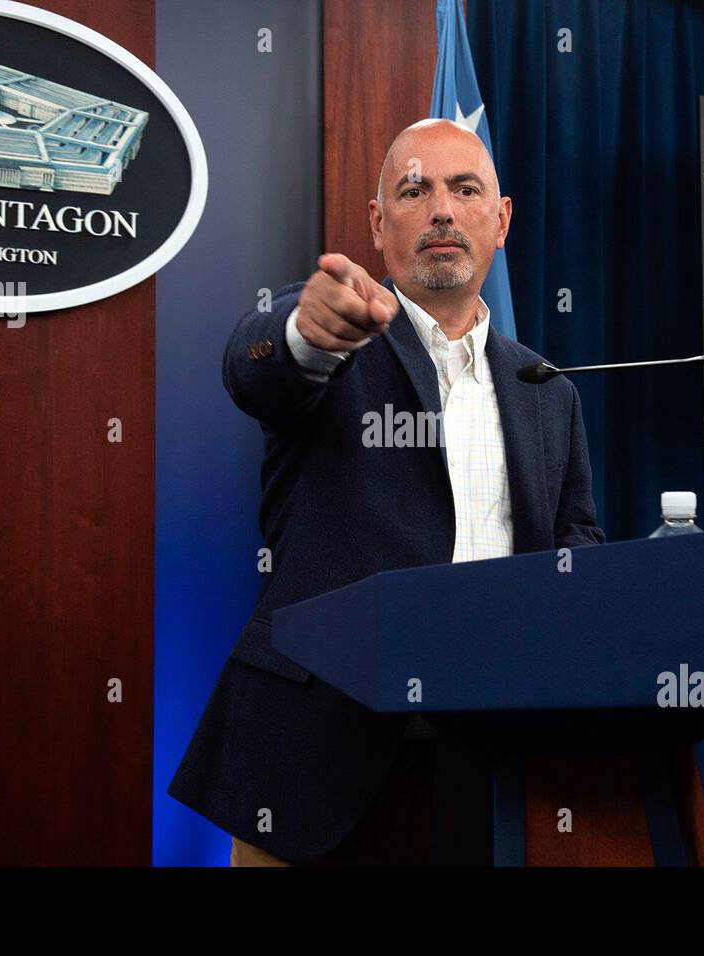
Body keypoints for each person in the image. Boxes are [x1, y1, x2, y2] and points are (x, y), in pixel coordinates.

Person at [168, 118, 604, 865]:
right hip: (312, 761)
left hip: (488, 759)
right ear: (378, 223)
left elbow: (577, 542)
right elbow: (255, 363)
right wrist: (306, 334)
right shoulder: (338, 346)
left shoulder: (547, 391)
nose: (441, 209)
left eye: (465, 189)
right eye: (415, 189)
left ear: (500, 221)